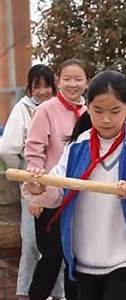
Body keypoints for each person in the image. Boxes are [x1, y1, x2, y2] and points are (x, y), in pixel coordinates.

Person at [22, 70, 126, 300]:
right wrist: (39, 188)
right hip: (83, 258)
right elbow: (57, 192)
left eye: (115, 111)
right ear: (87, 107)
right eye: (98, 111)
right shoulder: (77, 147)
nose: (106, 119)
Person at [24, 58, 89, 300]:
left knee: (78, 259)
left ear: (87, 82)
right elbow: (34, 151)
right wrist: (36, 191)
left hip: (82, 198)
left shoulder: (91, 111)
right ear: (58, 81)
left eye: (78, 79)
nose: (72, 84)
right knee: (52, 256)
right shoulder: (46, 109)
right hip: (52, 196)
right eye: (67, 79)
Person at [0, 64, 64, 300]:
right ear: (29, 88)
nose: (43, 91)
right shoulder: (24, 109)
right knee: (34, 241)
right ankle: (27, 292)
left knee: (53, 241)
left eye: (47, 85)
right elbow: (7, 148)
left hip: (56, 180)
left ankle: (51, 292)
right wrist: (22, 174)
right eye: (37, 86)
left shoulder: (60, 107)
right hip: (37, 181)